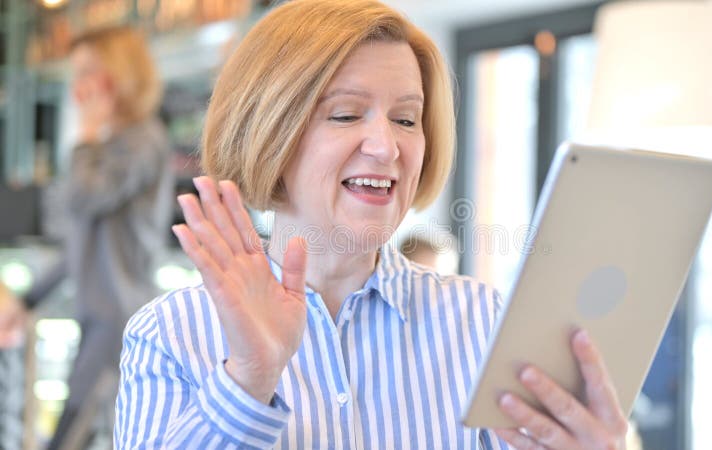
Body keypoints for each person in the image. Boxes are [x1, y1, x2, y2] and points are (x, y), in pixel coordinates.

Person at [114, 1, 629, 448]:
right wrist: (248, 379)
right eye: (345, 115)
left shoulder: (483, 324)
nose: (387, 147)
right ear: (268, 133)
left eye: (407, 119)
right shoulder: (171, 335)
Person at [0, 25, 174, 450]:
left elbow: (83, 198)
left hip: (119, 318)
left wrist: (85, 135)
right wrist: (27, 300)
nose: (78, 86)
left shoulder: (142, 140)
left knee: (72, 437)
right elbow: (77, 241)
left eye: (88, 72)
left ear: (117, 74)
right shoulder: (107, 142)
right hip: (98, 317)